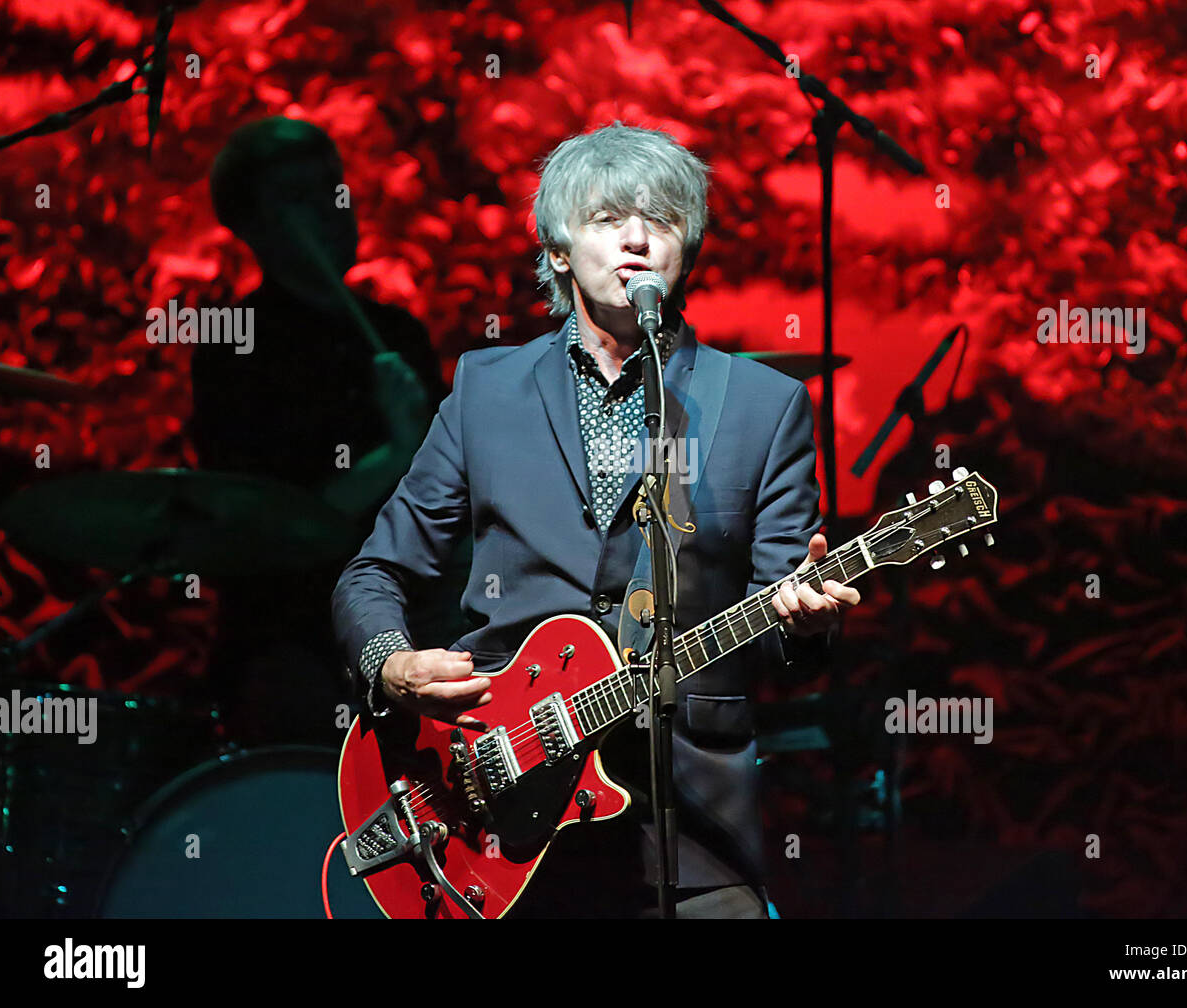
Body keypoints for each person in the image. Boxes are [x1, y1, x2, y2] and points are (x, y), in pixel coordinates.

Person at [332, 122, 858, 917]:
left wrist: (806, 620)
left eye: (664, 220)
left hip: (690, 828)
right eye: (609, 220)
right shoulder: (487, 391)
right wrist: (390, 665)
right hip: (498, 808)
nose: (639, 239)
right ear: (558, 250)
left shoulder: (761, 406)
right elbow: (376, 572)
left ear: (691, 248)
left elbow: (785, 619)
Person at [191, 117, 452, 746]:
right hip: (291, 635)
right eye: (299, 199)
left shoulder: (396, 335)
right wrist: (396, 449)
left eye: (335, 190)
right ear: (249, 228)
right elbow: (273, 525)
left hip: (415, 617)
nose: (334, 212)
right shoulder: (232, 347)